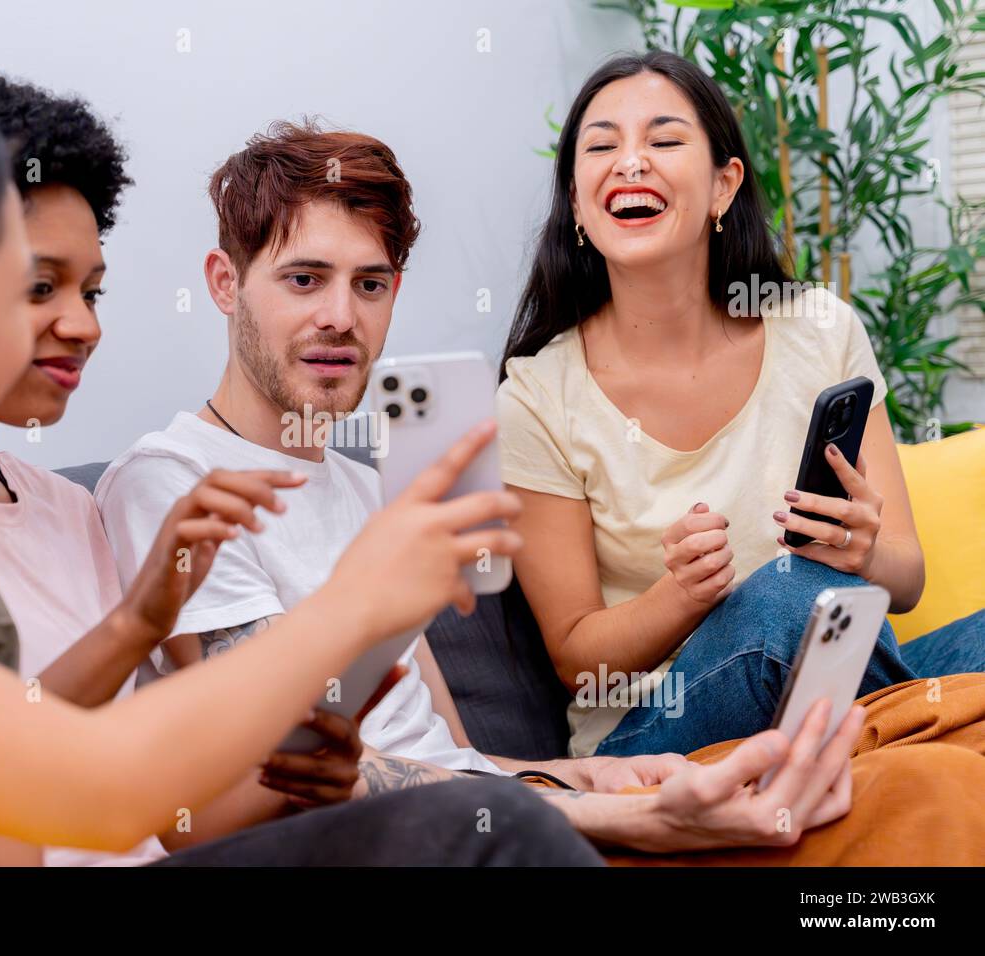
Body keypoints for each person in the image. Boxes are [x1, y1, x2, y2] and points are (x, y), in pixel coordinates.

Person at [0, 66, 596, 867]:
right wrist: (361, 601)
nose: (74, 328)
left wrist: (168, 648)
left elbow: (24, 800)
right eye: (21, 288)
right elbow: (98, 786)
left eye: (82, 290)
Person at [94, 118, 922, 858]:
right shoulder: (170, 482)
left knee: (908, 791)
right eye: (304, 280)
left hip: (495, 815)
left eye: (370, 284)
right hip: (425, 839)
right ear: (224, 282)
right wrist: (605, 819)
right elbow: (281, 765)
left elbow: (448, 752)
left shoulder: (372, 492)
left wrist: (585, 780)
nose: (342, 317)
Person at [0, 67, 382, 864]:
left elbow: (157, 813)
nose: (84, 327)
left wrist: (311, 768)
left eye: (95, 292)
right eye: (42, 286)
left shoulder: (67, 511)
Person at [496, 50, 985, 759]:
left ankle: (886, 755)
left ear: (725, 185)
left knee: (818, 604)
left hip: (844, 681)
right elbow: (578, 660)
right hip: (658, 737)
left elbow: (905, 581)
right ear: (577, 201)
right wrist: (682, 597)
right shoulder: (538, 396)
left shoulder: (820, 330)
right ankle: (918, 748)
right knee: (790, 596)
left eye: (663, 141)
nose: (630, 163)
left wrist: (867, 550)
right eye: (601, 146)